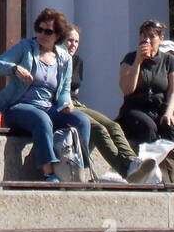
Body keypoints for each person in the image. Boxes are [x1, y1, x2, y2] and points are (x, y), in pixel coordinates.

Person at [0, 8, 94, 184]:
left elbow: (64, 91)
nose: (42, 34)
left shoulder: (64, 58)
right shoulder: (26, 48)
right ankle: (49, 172)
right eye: (40, 29)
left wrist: (67, 103)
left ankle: (77, 168)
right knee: (42, 119)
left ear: (58, 35)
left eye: (48, 31)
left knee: (82, 121)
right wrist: (14, 68)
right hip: (18, 106)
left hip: (48, 107)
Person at [65, 23, 153, 183]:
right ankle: (127, 171)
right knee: (99, 129)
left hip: (76, 103)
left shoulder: (77, 61)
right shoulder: (57, 60)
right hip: (63, 103)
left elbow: (76, 89)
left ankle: (133, 163)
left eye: (76, 42)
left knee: (113, 126)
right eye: (70, 40)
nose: (73, 45)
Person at [117, 20, 174, 149]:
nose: (147, 40)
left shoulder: (169, 60)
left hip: (160, 108)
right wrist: (138, 61)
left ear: (160, 39)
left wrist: (169, 112)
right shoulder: (130, 58)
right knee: (148, 128)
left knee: (171, 127)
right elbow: (127, 89)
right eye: (144, 36)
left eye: (152, 36)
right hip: (136, 108)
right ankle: (150, 166)